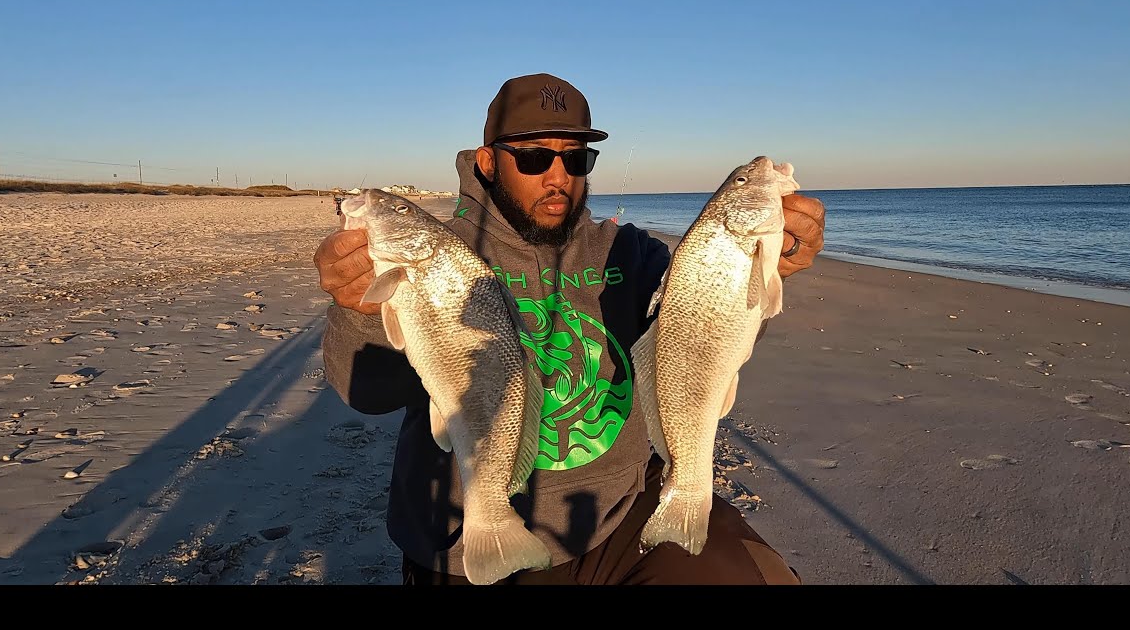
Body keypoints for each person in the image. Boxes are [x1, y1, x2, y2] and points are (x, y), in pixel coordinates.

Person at [313, 72, 826, 585]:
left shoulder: (632, 252)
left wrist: (767, 270)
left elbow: (703, 340)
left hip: (621, 513)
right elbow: (368, 392)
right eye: (535, 157)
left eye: (576, 158)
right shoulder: (442, 256)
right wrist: (357, 308)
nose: (558, 176)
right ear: (488, 161)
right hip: (464, 525)